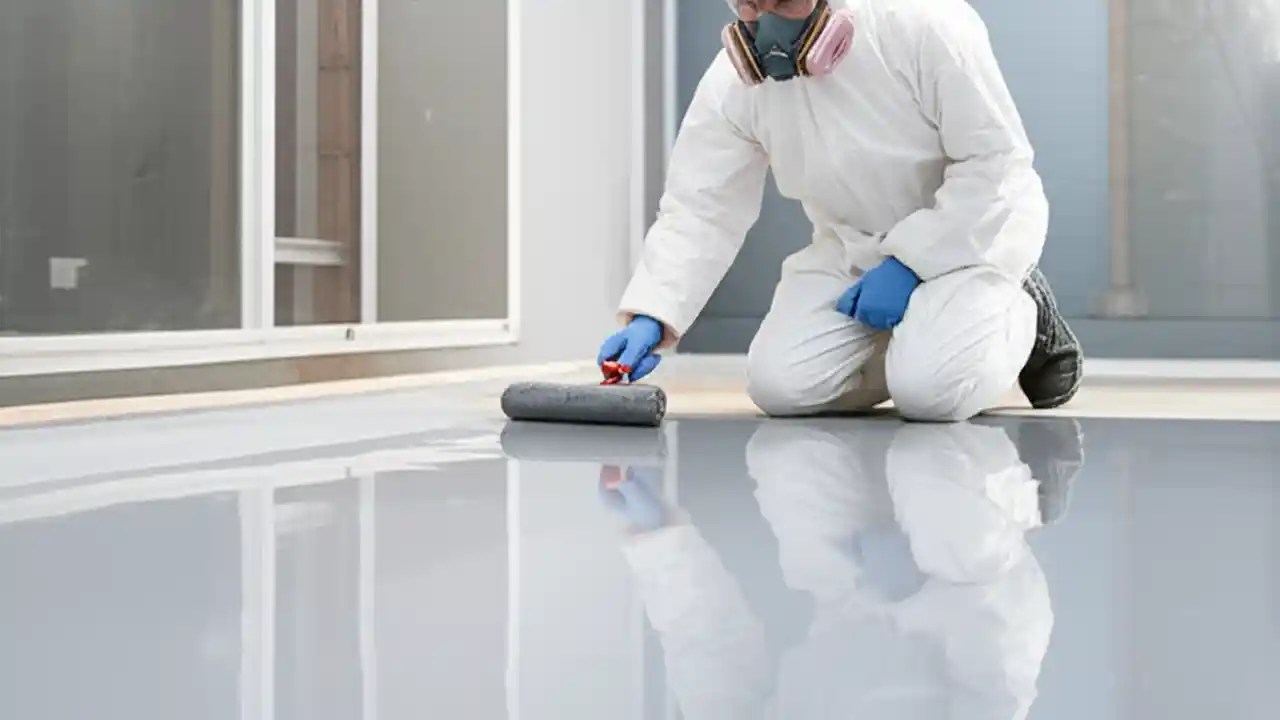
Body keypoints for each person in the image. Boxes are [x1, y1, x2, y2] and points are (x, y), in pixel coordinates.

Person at [598, 0, 1082, 422]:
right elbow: (702, 208)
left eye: (784, 4)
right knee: (781, 387)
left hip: (972, 239)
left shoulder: (926, 24)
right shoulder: (734, 83)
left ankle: (1024, 305)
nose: (765, 26)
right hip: (855, 249)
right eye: (749, 5)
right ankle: (926, 337)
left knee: (931, 393)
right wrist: (654, 314)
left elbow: (995, 163)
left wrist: (915, 262)